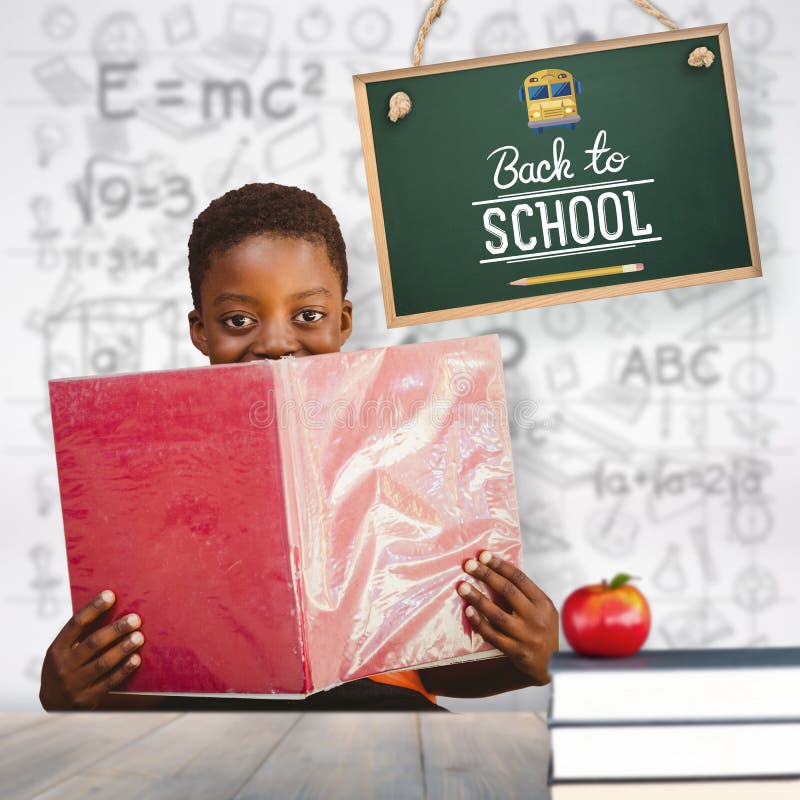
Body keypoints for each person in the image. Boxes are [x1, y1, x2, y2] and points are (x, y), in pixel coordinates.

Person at [39, 183, 559, 711]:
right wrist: (66, 693)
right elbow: (149, 683)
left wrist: (528, 660)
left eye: (307, 315)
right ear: (201, 331)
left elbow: (426, 667)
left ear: (343, 322)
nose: (276, 343)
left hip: (384, 738)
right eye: (239, 320)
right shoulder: (142, 465)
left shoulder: (410, 442)